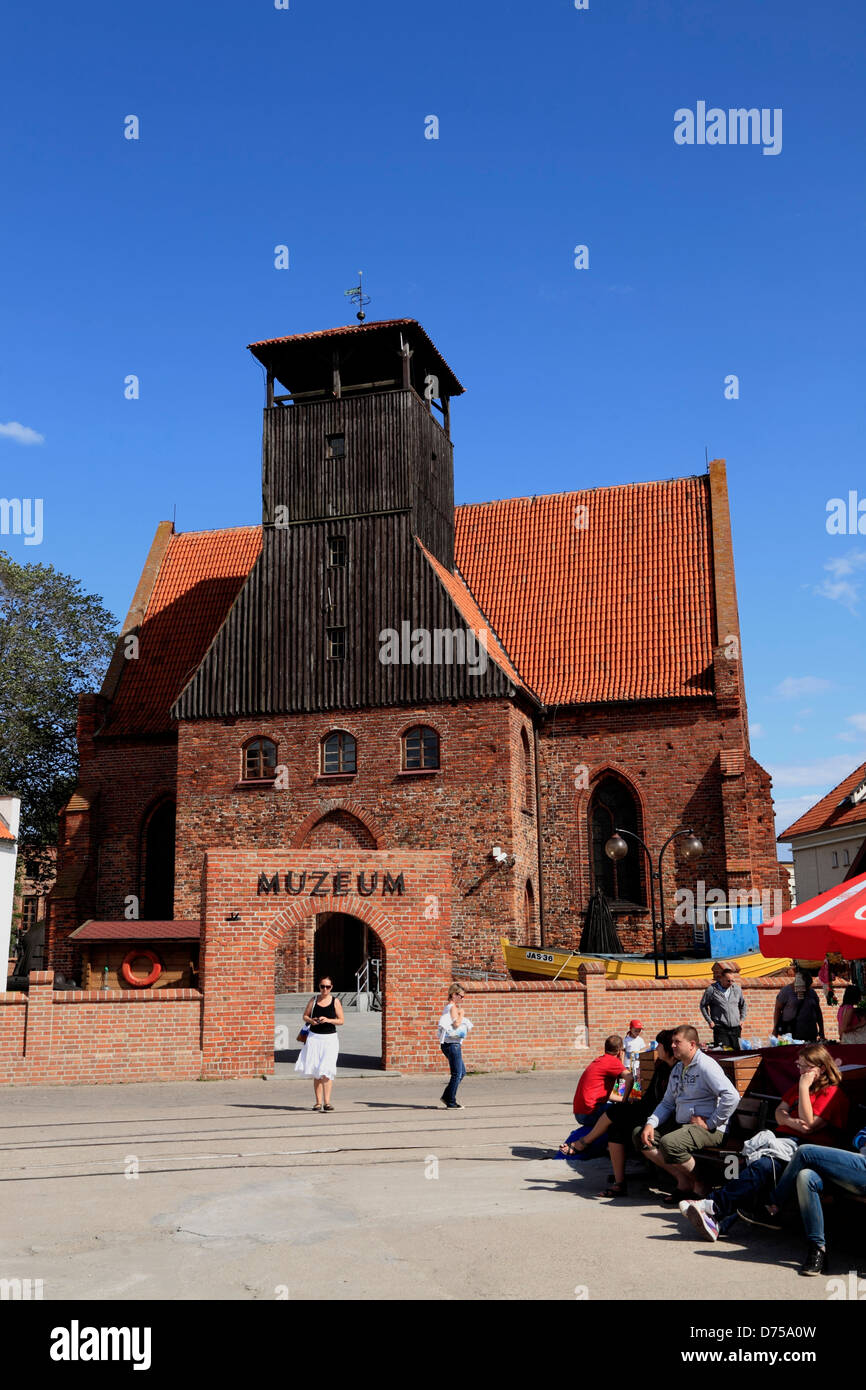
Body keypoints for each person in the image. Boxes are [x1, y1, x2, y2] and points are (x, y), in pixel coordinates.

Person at [678, 1043, 848, 1242]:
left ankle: (712, 1207)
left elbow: (809, 1124)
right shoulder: (799, 1086)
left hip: (807, 1150)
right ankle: (717, 1219)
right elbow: (779, 1113)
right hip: (783, 1141)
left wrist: (803, 1088)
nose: (800, 1071)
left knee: (762, 1168)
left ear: (821, 1068)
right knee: (752, 1168)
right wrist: (791, 1120)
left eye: (805, 1067)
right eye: (799, 1065)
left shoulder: (832, 1094)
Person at [638, 1025, 739, 1198]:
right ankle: (685, 1182)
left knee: (670, 1143)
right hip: (685, 1125)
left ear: (692, 1044)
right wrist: (650, 1123)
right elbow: (667, 1103)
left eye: (677, 1042)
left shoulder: (706, 1065)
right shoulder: (678, 1068)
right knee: (641, 1136)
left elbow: (732, 1096)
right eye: (672, 1043)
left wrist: (711, 1122)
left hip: (711, 1130)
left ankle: (702, 1183)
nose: (673, 1046)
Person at [758, 1125, 866, 1276]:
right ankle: (818, 1249)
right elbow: (859, 1136)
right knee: (806, 1177)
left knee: (804, 1151)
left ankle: (773, 1207)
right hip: (855, 1168)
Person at [295, 975, 344, 1110]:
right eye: (322, 986)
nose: (325, 989)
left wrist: (328, 1020)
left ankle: (327, 1102)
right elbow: (305, 1015)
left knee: (327, 1070)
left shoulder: (335, 1001)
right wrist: (312, 1021)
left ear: (331, 988)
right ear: (319, 987)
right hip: (314, 1038)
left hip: (329, 1039)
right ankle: (318, 1102)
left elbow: (341, 1020)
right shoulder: (314, 1000)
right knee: (316, 1069)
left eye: (327, 987)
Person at [572, 1035, 626, 1126]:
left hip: (580, 1112)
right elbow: (629, 1077)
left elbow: (608, 1095)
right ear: (620, 1052)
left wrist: (625, 1099)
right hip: (589, 1113)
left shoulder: (600, 1060)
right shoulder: (613, 1062)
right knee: (625, 1112)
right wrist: (625, 1100)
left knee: (613, 1105)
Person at [438, 982, 473, 1109]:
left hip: (449, 1044)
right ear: (454, 995)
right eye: (461, 996)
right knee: (457, 1073)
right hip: (453, 1044)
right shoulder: (452, 1008)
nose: (462, 999)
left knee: (461, 1072)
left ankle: (447, 1096)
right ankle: (451, 1101)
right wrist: (462, 1014)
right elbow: (456, 1024)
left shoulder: (448, 1007)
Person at [700, 962, 746, 1049]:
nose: (731, 983)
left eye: (733, 980)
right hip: (720, 1028)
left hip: (735, 1028)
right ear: (721, 978)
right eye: (728, 981)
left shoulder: (736, 989)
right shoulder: (712, 990)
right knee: (724, 1053)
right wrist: (709, 1021)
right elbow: (703, 1005)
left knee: (736, 1053)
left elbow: (743, 1005)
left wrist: (742, 1019)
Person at [773, 971, 824, 1041]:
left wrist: (821, 1030)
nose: (806, 988)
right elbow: (777, 1010)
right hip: (791, 1034)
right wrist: (775, 1029)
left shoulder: (812, 992)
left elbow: (818, 1012)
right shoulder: (786, 991)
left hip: (810, 1033)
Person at [622, 1019, 649, 1084]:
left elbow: (642, 1051)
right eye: (635, 1031)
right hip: (628, 1065)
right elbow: (623, 1052)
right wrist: (622, 1064)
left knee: (636, 1082)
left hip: (637, 1066)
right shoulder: (626, 1040)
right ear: (631, 1029)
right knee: (628, 1081)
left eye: (639, 1031)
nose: (637, 1032)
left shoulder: (640, 1040)